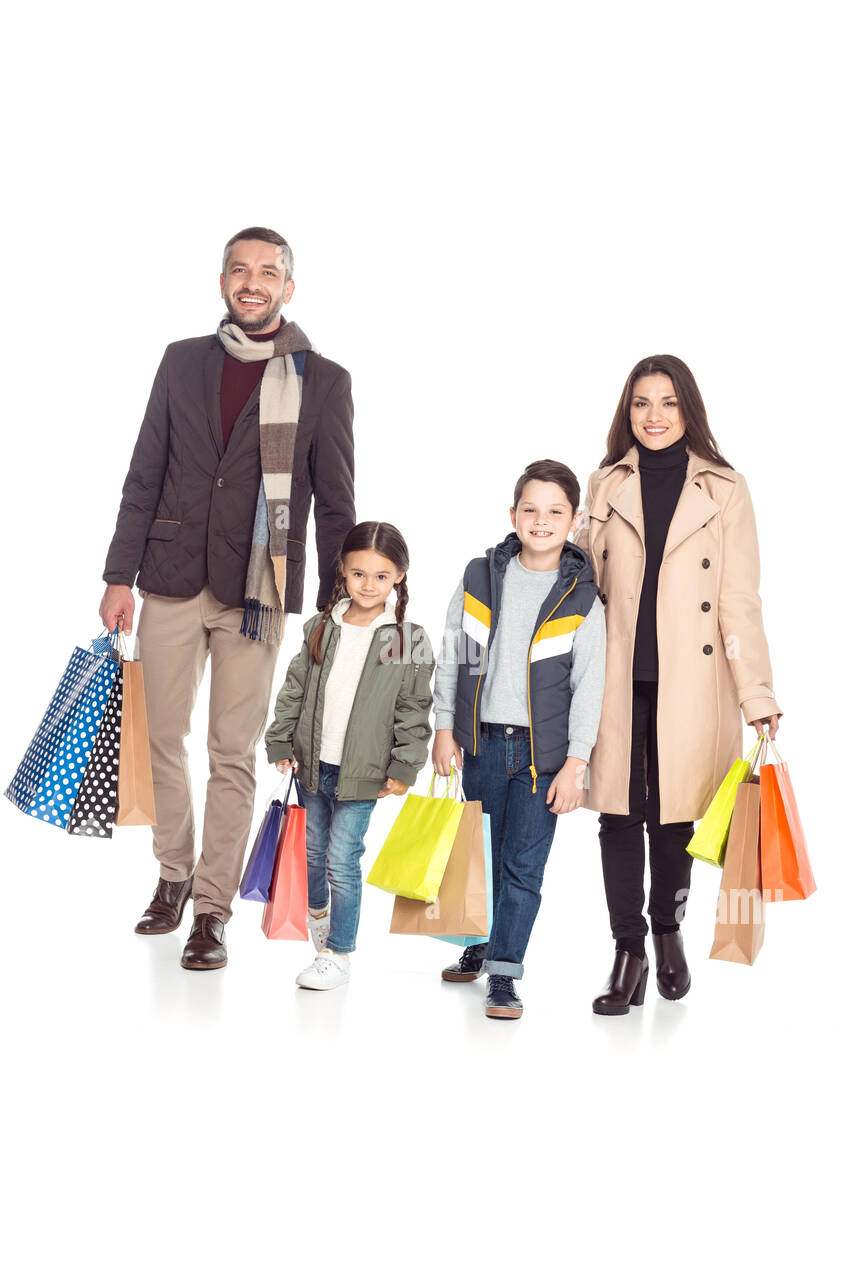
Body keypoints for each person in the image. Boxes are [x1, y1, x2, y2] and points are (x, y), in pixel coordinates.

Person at [100, 227, 355, 970]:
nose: (253, 282)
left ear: (288, 288)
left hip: (258, 590)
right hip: (171, 574)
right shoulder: (182, 362)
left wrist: (339, 601)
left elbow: (335, 503)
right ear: (222, 281)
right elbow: (145, 469)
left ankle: (211, 908)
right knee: (158, 741)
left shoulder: (324, 381)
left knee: (232, 753)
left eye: (268, 272)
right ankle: (173, 872)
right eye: (240, 270)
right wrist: (119, 574)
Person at [576, 355, 782, 1015]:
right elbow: (577, 584)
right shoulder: (604, 483)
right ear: (626, 411)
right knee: (616, 813)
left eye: (667, 402)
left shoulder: (725, 488)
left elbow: (738, 600)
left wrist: (756, 693)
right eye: (640, 403)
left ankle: (666, 934)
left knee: (672, 818)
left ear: (687, 409)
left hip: (692, 679)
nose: (653, 416)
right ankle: (626, 948)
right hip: (613, 677)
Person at [432, 460, 606, 1020]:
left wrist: (576, 764)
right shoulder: (481, 576)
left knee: (523, 868)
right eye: (530, 509)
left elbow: (590, 688)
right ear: (513, 515)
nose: (541, 520)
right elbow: (453, 654)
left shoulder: (583, 598)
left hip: (542, 760)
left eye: (555, 511)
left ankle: (505, 974)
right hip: (480, 745)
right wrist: (443, 728)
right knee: (479, 857)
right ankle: (477, 946)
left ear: (574, 522)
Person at [265, 522, 434, 991]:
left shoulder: (406, 637)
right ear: (343, 570)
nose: (368, 585)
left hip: (364, 771)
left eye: (381, 576)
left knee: (343, 858)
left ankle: (339, 953)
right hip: (313, 762)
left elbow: (414, 706)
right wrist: (281, 741)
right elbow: (294, 688)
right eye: (359, 573)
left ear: (399, 576)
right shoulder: (323, 626)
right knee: (313, 850)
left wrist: (404, 766)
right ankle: (318, 913)